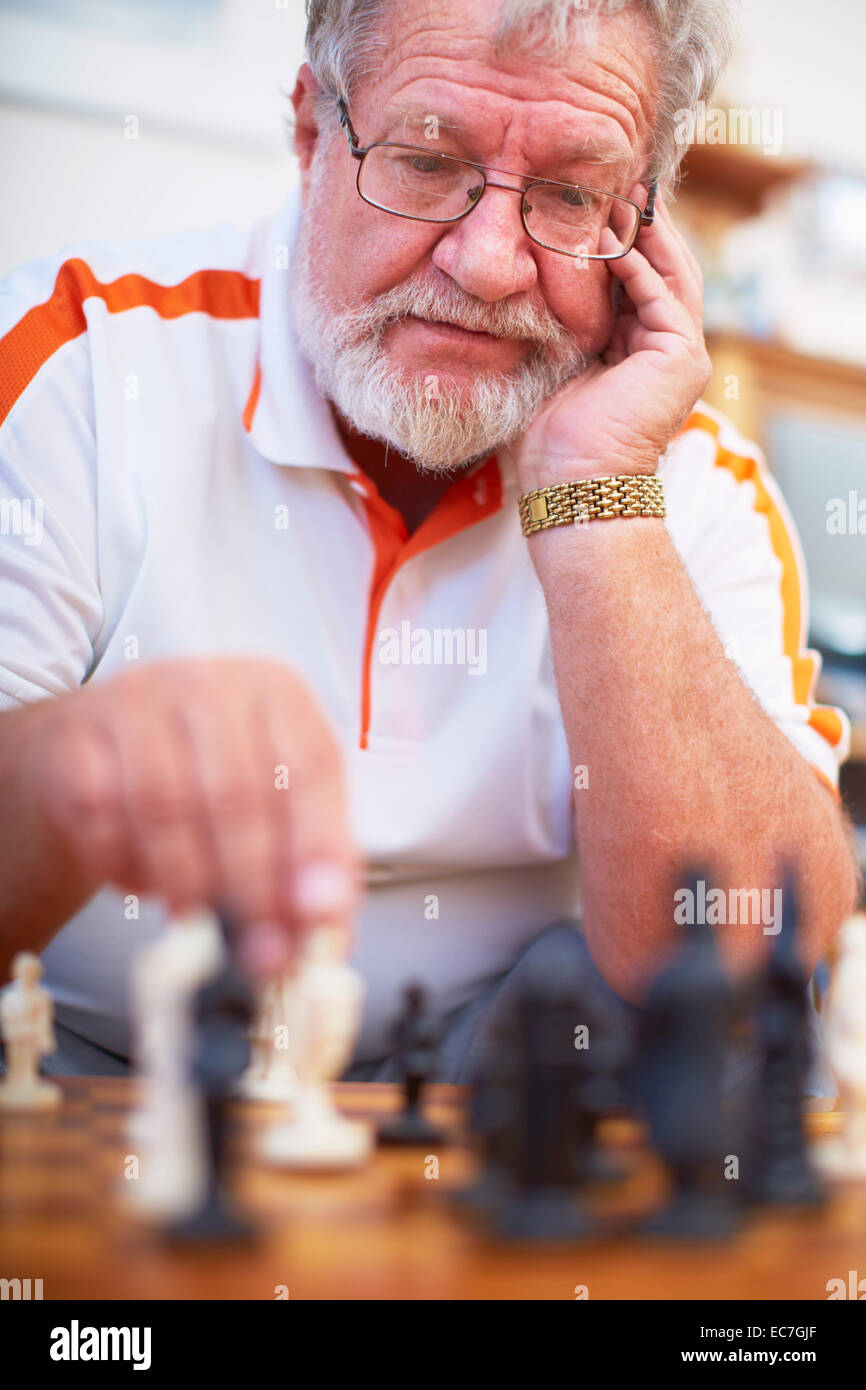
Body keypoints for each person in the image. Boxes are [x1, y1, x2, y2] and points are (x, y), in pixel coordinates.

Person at [0, 0, 857, 1082]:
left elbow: (747, 962)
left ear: (641, 221)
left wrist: (593, 496)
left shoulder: (694, 479)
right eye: (424, 160)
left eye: (568, 193)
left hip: (487, 1118)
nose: (490, 263)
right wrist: (64, 773)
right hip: (90, 1087)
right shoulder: (70, 369)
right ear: (313, 130)